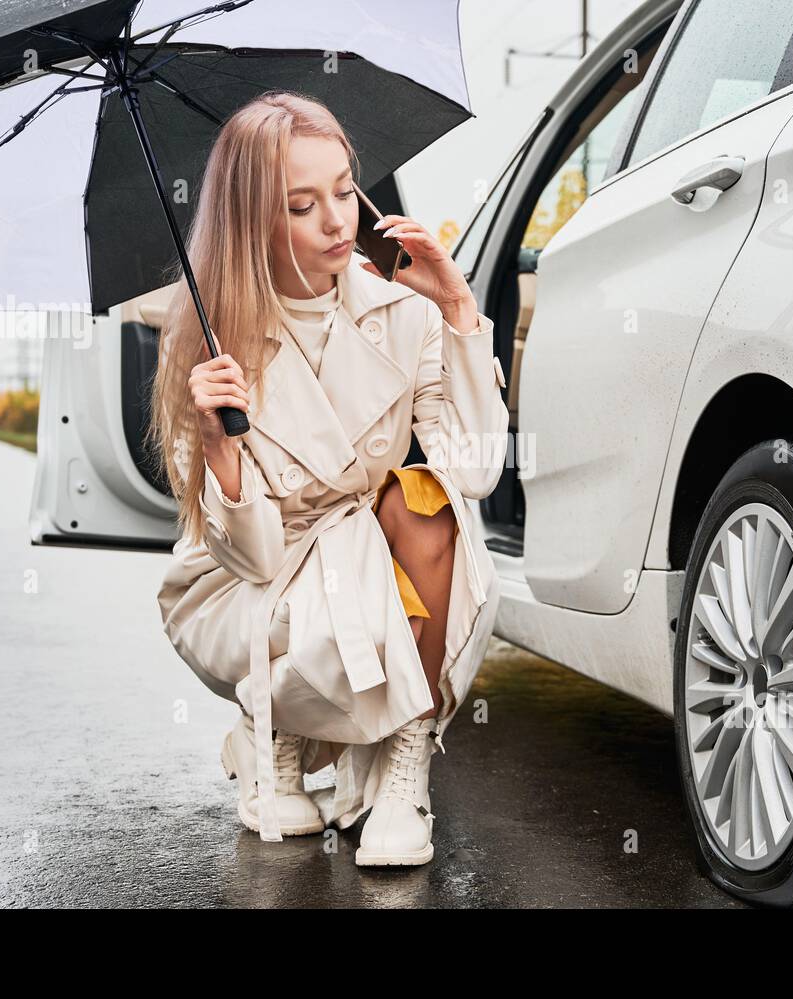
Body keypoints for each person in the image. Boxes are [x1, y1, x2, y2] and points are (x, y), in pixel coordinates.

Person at [147, 90, 509, 866]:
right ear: (251, 222)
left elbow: (474, 468)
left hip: (356, 556)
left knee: (426, 508)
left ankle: (407, 765)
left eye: (346, 190)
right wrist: (219, 450)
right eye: (303, 205)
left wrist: (455, 305)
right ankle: (270, 731)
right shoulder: (204, 340)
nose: (339, 222)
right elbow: (255, 558)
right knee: (331, 571)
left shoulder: (404, 312)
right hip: (248, 578)